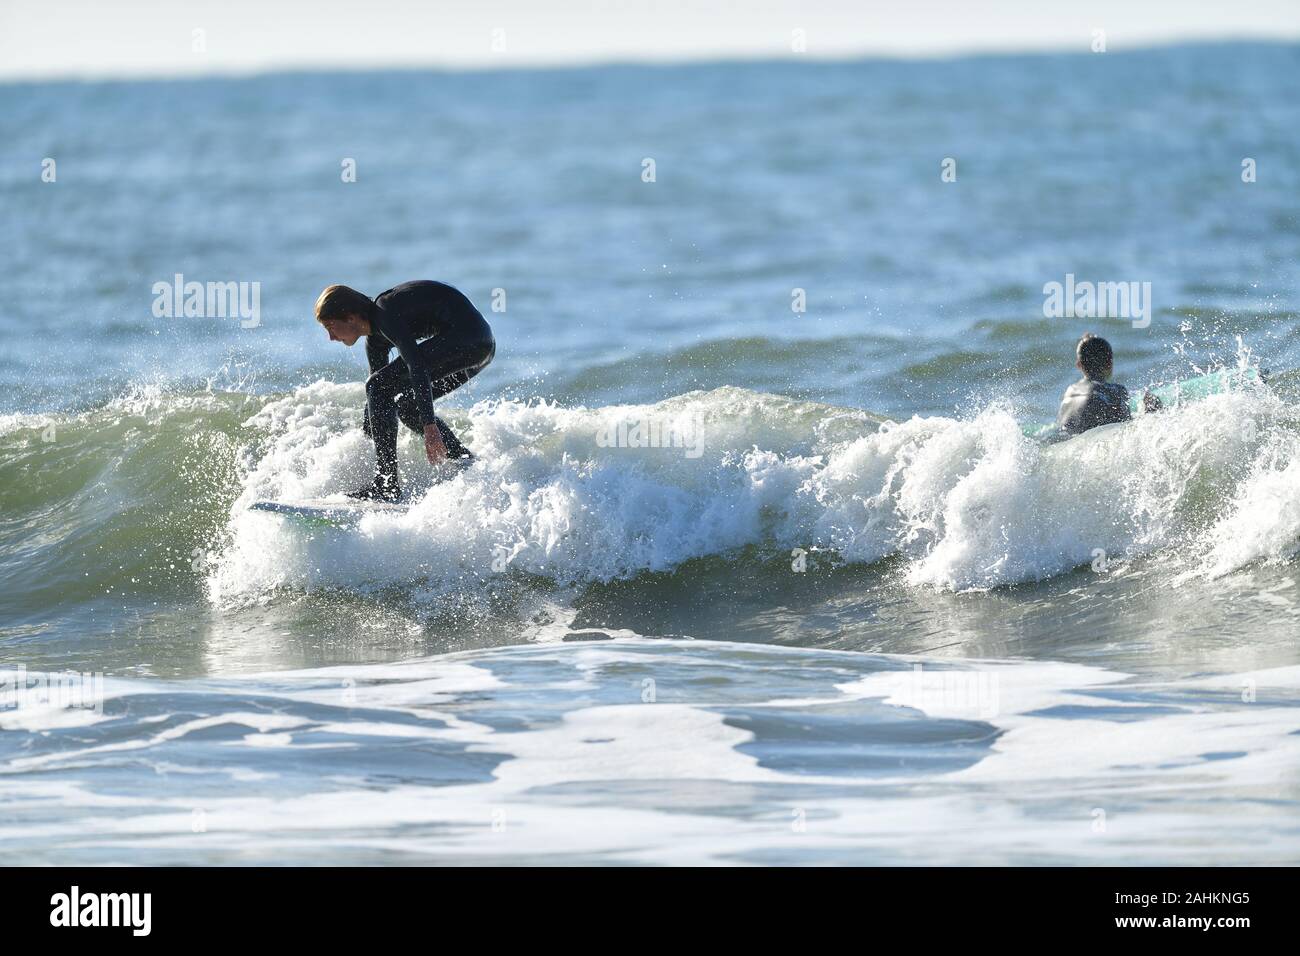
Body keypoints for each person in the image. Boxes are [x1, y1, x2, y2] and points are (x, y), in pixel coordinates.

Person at [315, 281, 495, 501]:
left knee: (380, 386)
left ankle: (386, 484)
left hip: (469, 339)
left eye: (330, 327)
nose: (331, 337)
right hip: (480, 348)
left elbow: (416, 366)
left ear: (350, 317)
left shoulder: (385, 312)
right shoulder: (375, 342)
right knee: (406, 406)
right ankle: (467, 463)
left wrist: (430, 426)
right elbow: (377, 400)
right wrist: (363, 440)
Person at [1056, 332, 1158, 436]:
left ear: (1079, 365)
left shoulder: (1069, 391)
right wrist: (1151, 411)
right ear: (1109, 362)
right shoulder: (1116, 390)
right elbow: (1128, 430)